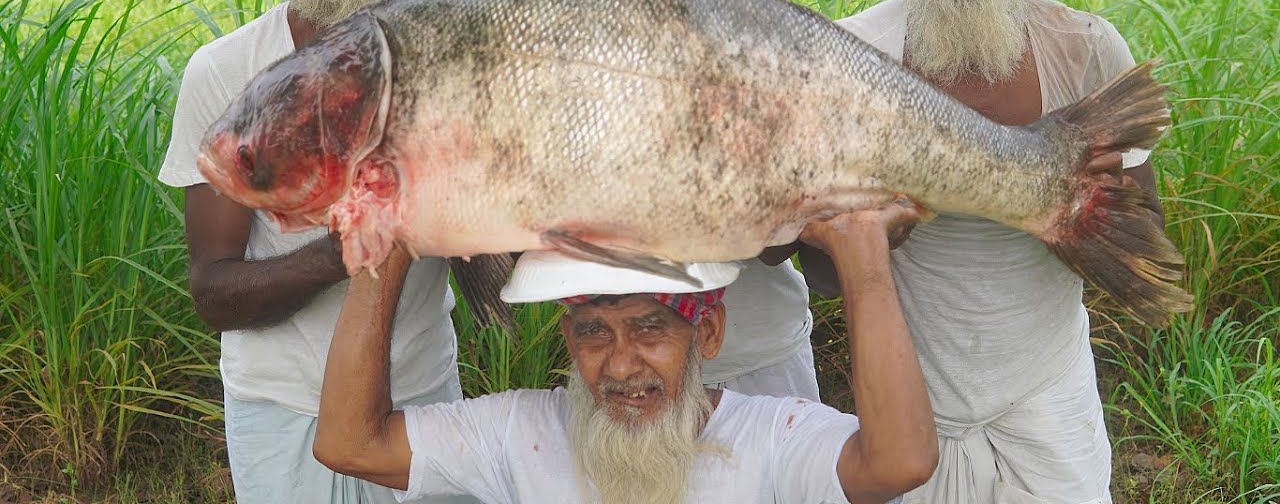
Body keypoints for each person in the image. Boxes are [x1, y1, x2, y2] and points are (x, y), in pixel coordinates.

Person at [835, 0, 1164, 502]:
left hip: (1051, 401)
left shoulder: (1084, 49)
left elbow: (1145, 241)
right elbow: (819, 271)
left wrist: (1072, 214)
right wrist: (867, 233)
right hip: (909, 406)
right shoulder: (850, 56)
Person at [158, 0, 468, 502]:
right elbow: (214, 291)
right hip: (282, 413)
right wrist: (354, 245)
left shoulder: (449, 35)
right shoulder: (227, 72)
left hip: (421, 397)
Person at [312, 204, 938, 504]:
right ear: (568, 340)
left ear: (709, 335)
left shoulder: (773, 436)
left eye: (649, 330)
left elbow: (900, 463)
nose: (620, 365)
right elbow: (349, 445)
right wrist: (383, 248)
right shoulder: (519, 432)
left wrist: (862, 255)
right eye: (593, 333)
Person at [569, 0, 823, 400]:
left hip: (760, 362)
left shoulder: (771, 39)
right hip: (617, 369)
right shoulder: (565, 53)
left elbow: (786, 237)